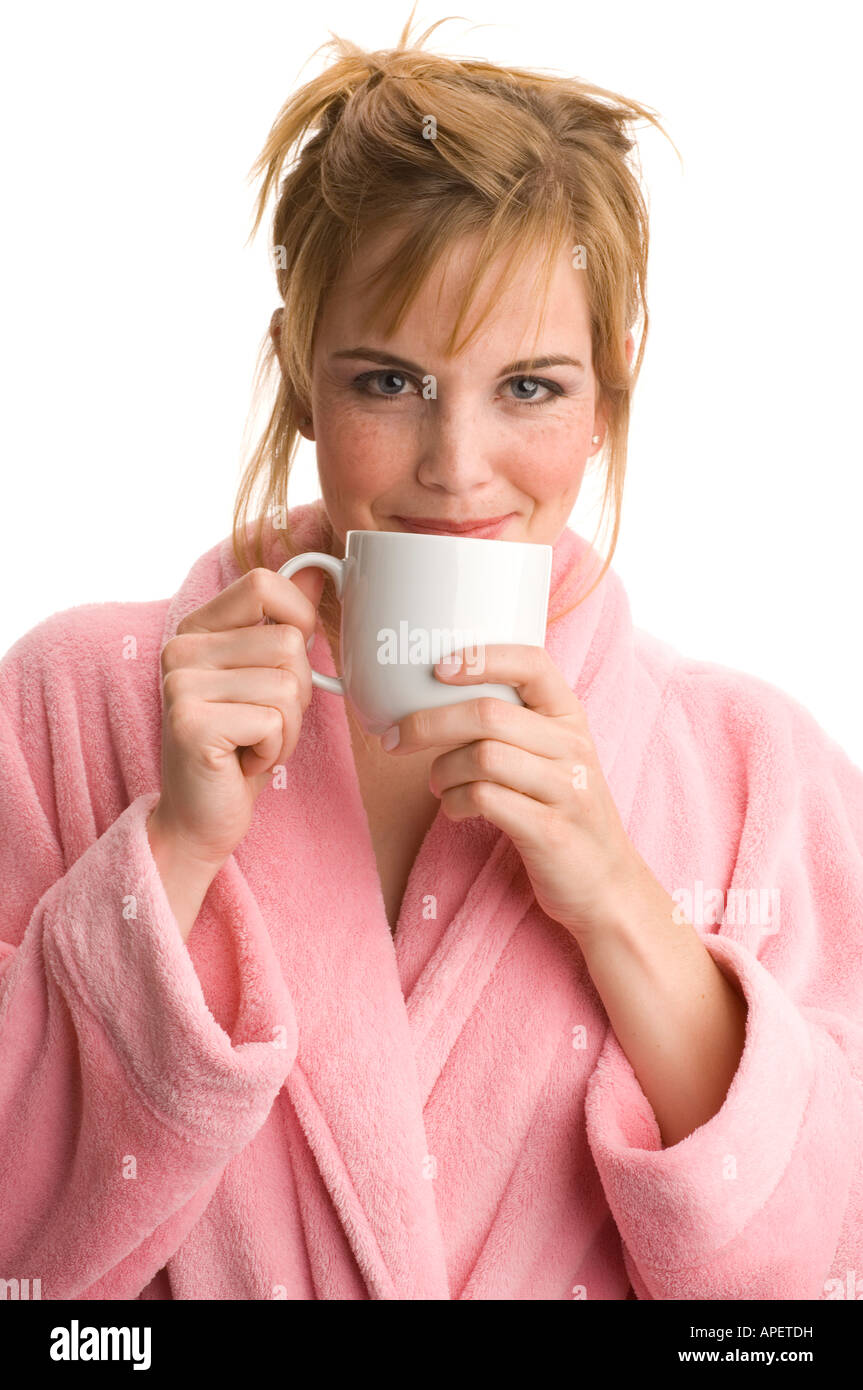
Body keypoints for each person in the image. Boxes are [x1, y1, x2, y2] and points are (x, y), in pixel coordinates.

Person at [1, 11, 861, 1302]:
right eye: (389, 382)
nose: (458, 467)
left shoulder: (753, 768)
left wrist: (618, 892)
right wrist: (172, 846)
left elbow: (814, 1273)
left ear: (609, 394)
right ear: (298, 374)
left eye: (529, 387)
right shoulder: (74, 702)